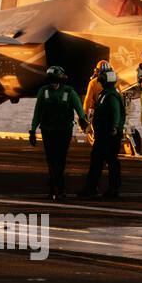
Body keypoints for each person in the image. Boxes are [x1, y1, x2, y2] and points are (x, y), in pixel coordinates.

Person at [29, 66, 88, 201]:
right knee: (51, 159)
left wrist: (83, 120)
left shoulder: (69, 92)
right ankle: (56, 188)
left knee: (59, 159)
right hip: (48, 130)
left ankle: (57, 187)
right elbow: (37, 111)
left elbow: (78, 107)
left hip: (63, 130)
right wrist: (33, 129)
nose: (53, 82)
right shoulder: (43, 92)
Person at [78, 69, 124, 199]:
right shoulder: (105, 94)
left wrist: (114, 127)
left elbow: (116, 113)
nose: (99, 81)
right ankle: (91, 188)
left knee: (110, 162)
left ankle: (112, 189)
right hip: (103, 134)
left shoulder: (111, 96)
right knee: (97, 161)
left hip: (109, 135)